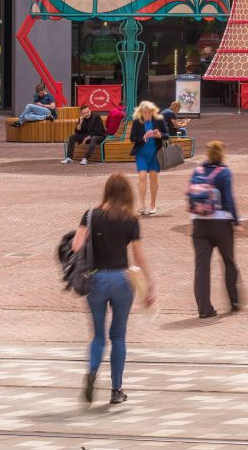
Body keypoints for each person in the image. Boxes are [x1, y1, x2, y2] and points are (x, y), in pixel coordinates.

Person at [72, 172, 155, 404]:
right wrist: (149, 285)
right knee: (118, 336)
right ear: (127, 194)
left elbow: (76, 245)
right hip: (121, 280)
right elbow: (139, 256)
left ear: (106, 191)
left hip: (96, 280)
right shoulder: (130, 220)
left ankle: (92, 372)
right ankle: (116, 390)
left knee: (98, 336)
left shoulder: (90, 215)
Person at [188, 139, 242, 317]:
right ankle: (234, 301)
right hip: (220, 223)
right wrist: (236, 222)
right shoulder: (224, 173)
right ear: (221, 154)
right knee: (228, 261)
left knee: (201, 267)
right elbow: (228, 199)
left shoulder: (197, 171)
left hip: (199, 223)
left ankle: (204, 309)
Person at [128, 101, 169, 215]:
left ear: (152, 111)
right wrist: (144, 137)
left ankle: (153, 204)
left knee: (153, 177)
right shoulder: (137, 122)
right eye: (144, 112)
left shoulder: (159, 120)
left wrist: (160, 135)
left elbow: (167, 134)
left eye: (149, 112)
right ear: (140, 112)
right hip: (141, 153)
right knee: (142, 176)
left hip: (154, 153)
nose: (147, 115)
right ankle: (141, 204)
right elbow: (132, 138)